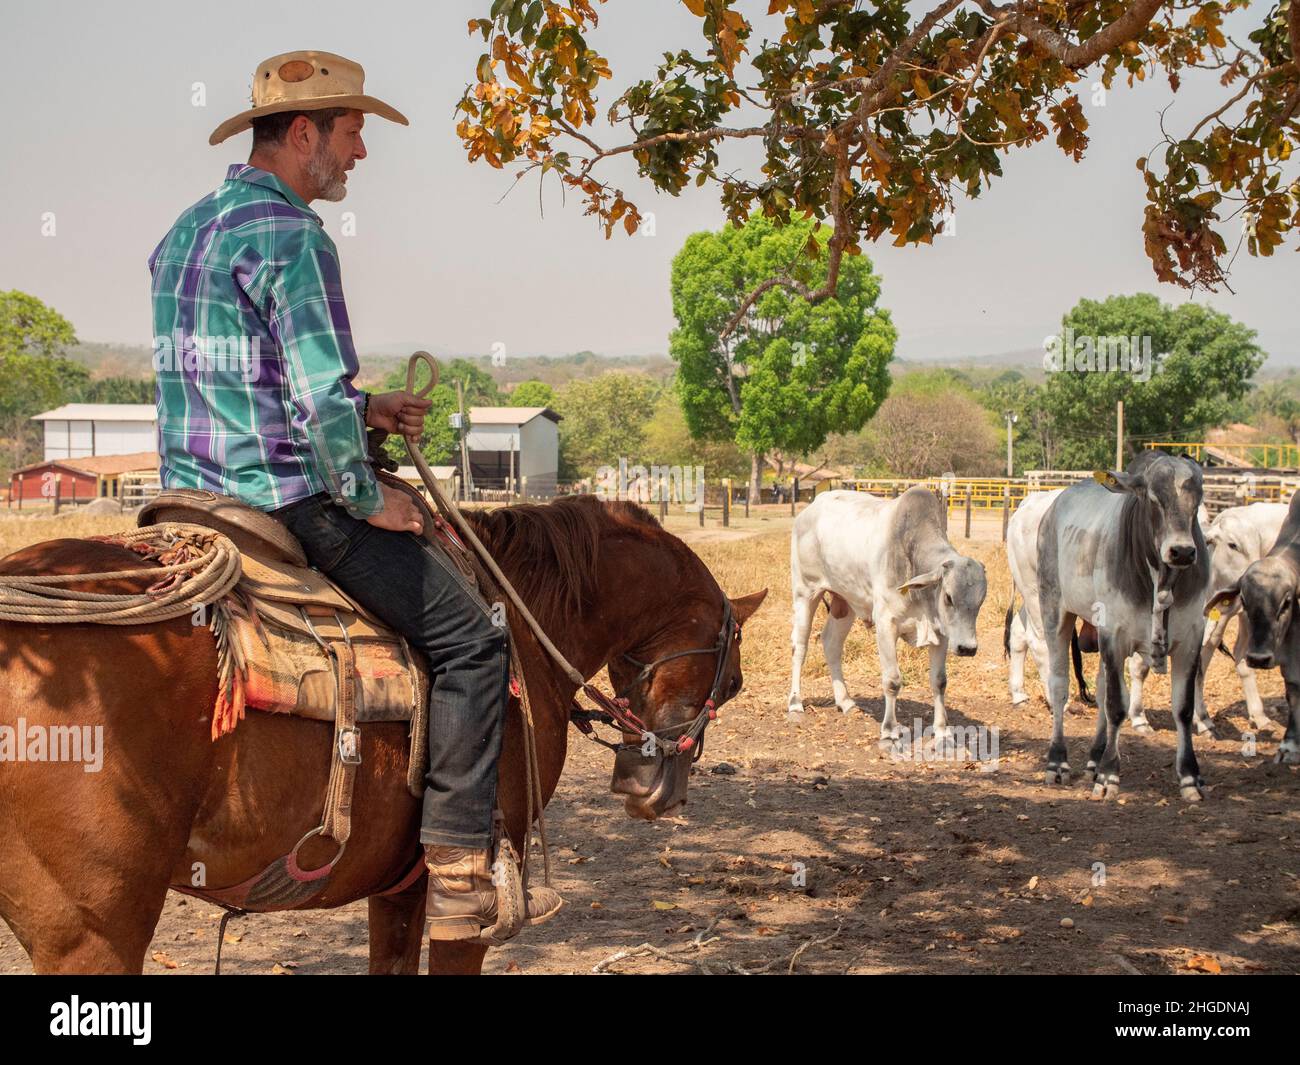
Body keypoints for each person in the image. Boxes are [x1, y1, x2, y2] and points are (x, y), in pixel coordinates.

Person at [149, 50, 561, 941]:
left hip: (183, 502)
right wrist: (366, 492)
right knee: (475, 639)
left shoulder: (183, 232)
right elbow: (319, 396)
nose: (361, 153)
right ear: (305, 135)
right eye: (352, 131)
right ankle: (455, 871)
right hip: (281, 504)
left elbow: (246, 381)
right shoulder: (295, 237)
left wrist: (372, 409)